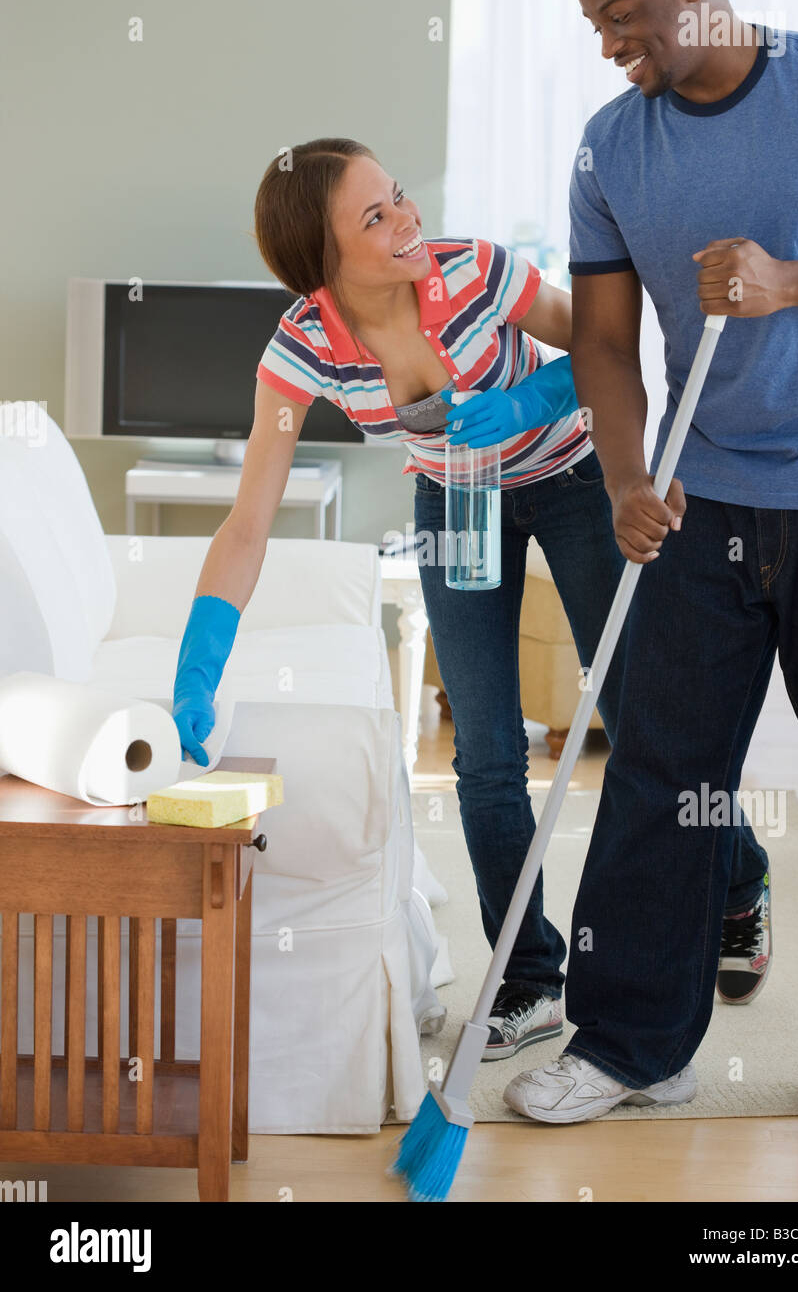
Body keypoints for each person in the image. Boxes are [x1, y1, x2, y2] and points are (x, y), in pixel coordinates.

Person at [504, 0, 798, 1142]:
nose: (611, 44)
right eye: (594, 26)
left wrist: (795, 282)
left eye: (625, 15)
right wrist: (621, 477)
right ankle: (629, 1046)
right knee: (661, 773)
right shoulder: (614, 148)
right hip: (697, 492)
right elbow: (605, 341)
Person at [171, 136, 630, 1060]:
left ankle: (736, 875)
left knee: (638, 710)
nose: (407, 220)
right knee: (485, 755)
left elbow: (605, 343)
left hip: (570, 479)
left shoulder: (476, 272)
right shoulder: (304, 346)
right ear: (323, 262)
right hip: (455, 501)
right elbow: (249, 521)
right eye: (374, 217)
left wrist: (533, 396)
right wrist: (197, 662)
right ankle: (528, 983)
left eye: (400, 197)